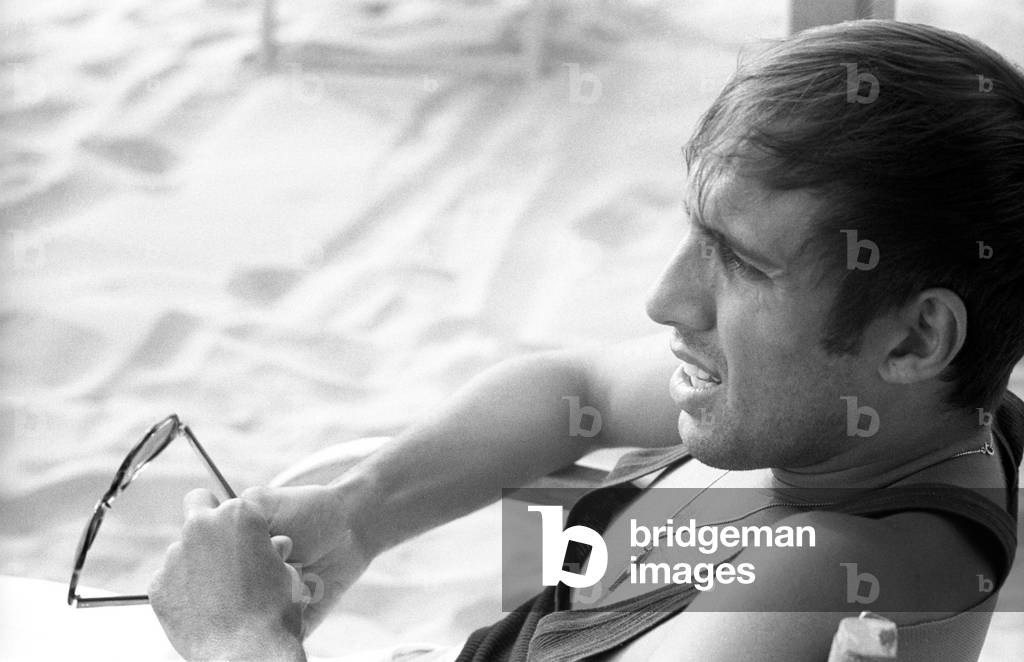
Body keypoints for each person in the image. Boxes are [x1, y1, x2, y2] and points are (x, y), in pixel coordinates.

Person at [147, 20, 1024, 662]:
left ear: (916, 338)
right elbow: (581, 393)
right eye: (696, 235)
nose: (665, 300)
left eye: (742, 263)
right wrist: (357, 515)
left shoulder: (818, 576)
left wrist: (239, 639)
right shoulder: (867, 418)